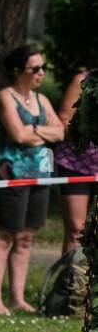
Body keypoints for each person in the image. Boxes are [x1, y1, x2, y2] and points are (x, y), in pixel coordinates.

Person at [0, 44, 64, 315]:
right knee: (5, 234)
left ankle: (17, 297)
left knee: (27, 236)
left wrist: (33, 129)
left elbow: (61, 132)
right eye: (36, 68)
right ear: (18, 71)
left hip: (41, 172)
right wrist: (41, 132)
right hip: (12, 173)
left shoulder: (42, 100)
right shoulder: (5, 97)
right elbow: (17, 136)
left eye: (43, 68)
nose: (41, 73)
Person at [56, 68, 98, 257]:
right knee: (76, 229)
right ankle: (71, 282)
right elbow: (63, 121)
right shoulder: (83, 80)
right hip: (76, 165)